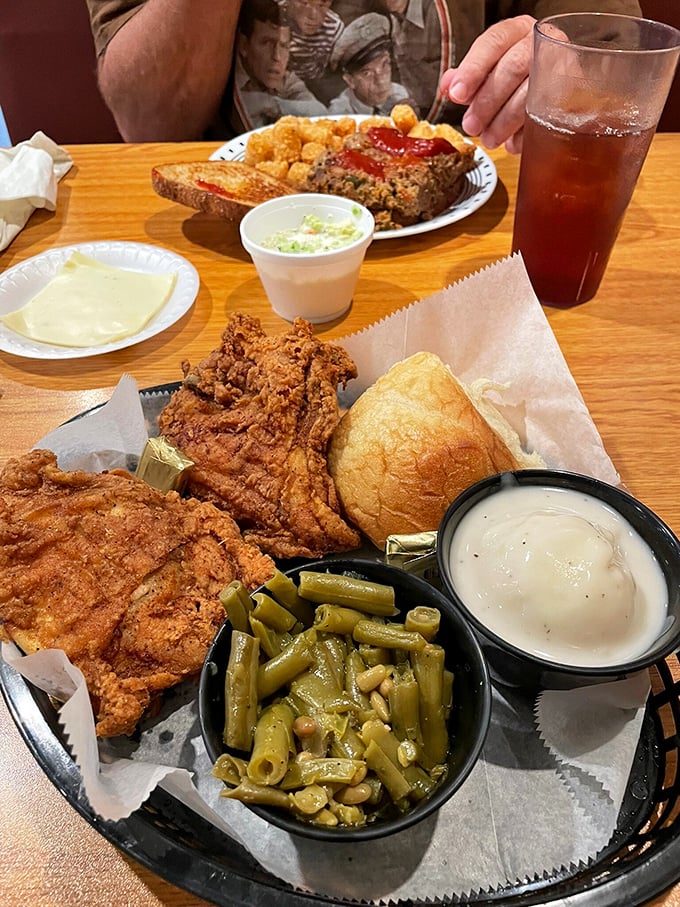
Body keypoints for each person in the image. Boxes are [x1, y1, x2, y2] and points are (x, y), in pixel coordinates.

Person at [85, 0, 642, 150]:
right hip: (234, 243)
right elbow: (147, 124)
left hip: (473, 228)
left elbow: (618, 64)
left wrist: (563, 70)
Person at [234, 0, 326, 128]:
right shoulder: (226, 82)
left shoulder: (286, 80)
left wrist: (272, 104)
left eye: (283, 46)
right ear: (243, 45)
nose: (276, 56)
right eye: (266, 43)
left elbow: (320, 112)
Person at [327, 13, 418, 116]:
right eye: (367, 73)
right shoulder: (339, 114)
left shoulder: (398, 93)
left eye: (385, 64)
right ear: (350, 80)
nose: (381, 81)